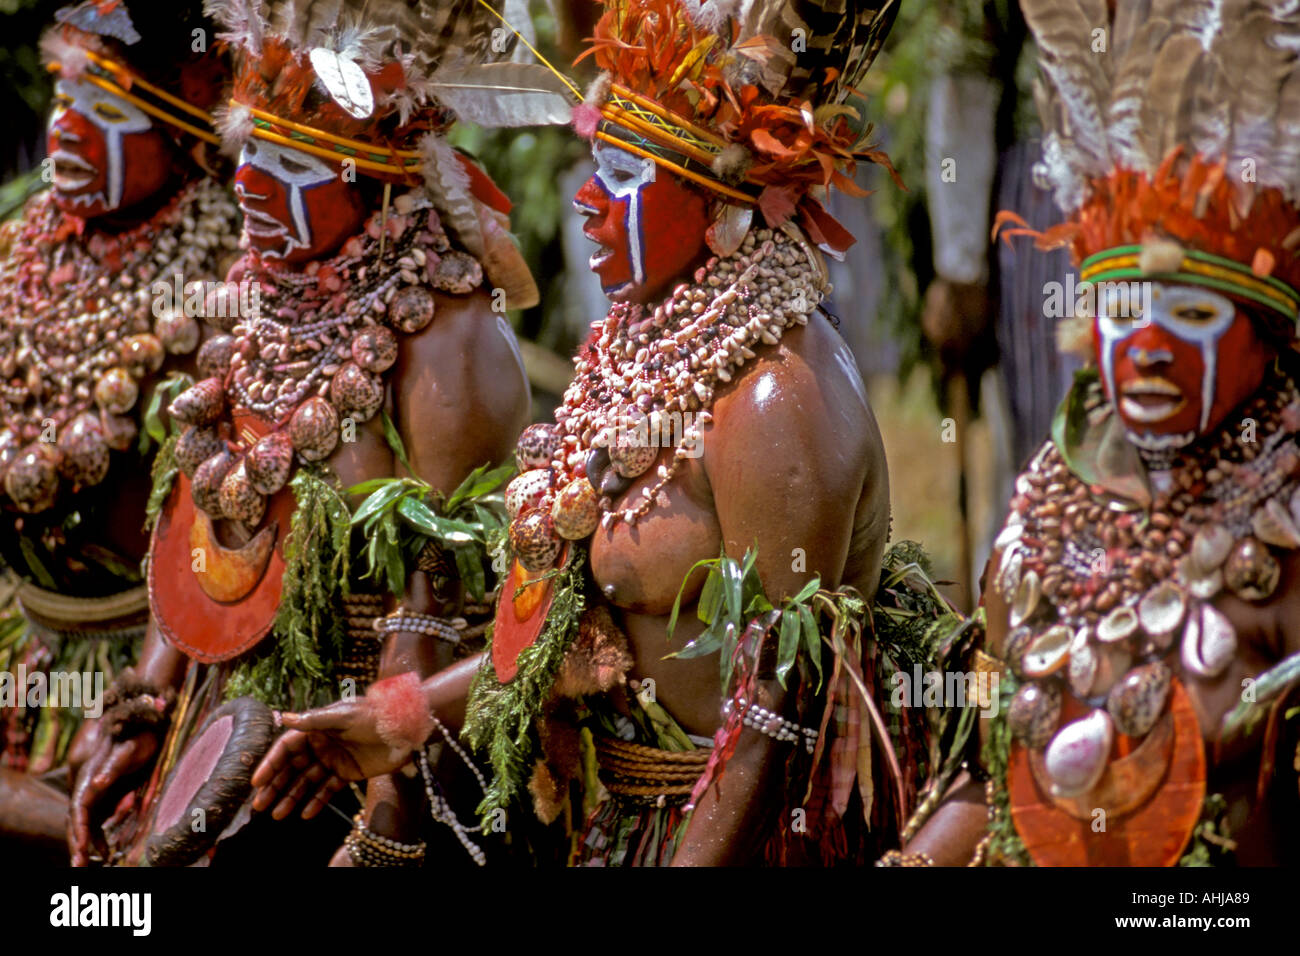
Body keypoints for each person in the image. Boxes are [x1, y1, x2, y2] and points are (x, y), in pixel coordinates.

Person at [252, 0, 946, 867]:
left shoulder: (775, 399)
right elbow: (567, 634)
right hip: (624, 826)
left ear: (721, 201)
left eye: (620, 175)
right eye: (594, 167)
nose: (583, 201)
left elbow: (776, 711)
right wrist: (398, 718)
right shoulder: (640, 352)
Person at [66, 0, 561, 866]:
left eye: (287, 159)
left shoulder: (447, 341)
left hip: (347, 754)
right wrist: (146, 705)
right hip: (223, 723)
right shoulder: (264, 299)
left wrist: (386, 811)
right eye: (249, 147)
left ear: (370, 181)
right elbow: (197, 518)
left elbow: (431, 600)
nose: (249, 180)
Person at [897, 0, 1300, 866]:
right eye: (1124, 311)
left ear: (1268, 333)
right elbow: (985, 781)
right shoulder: (1039, 525)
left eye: (1190, 312)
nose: (1150, 350)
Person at [0, 0, 238, 859]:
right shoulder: (21, 246)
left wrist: (144, 696)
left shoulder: (226, 276)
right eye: (64, 98)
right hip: (20, 634)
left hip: (148, 662)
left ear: (181, 133)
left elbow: (208, 524)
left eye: (104, 110)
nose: (64, 130)